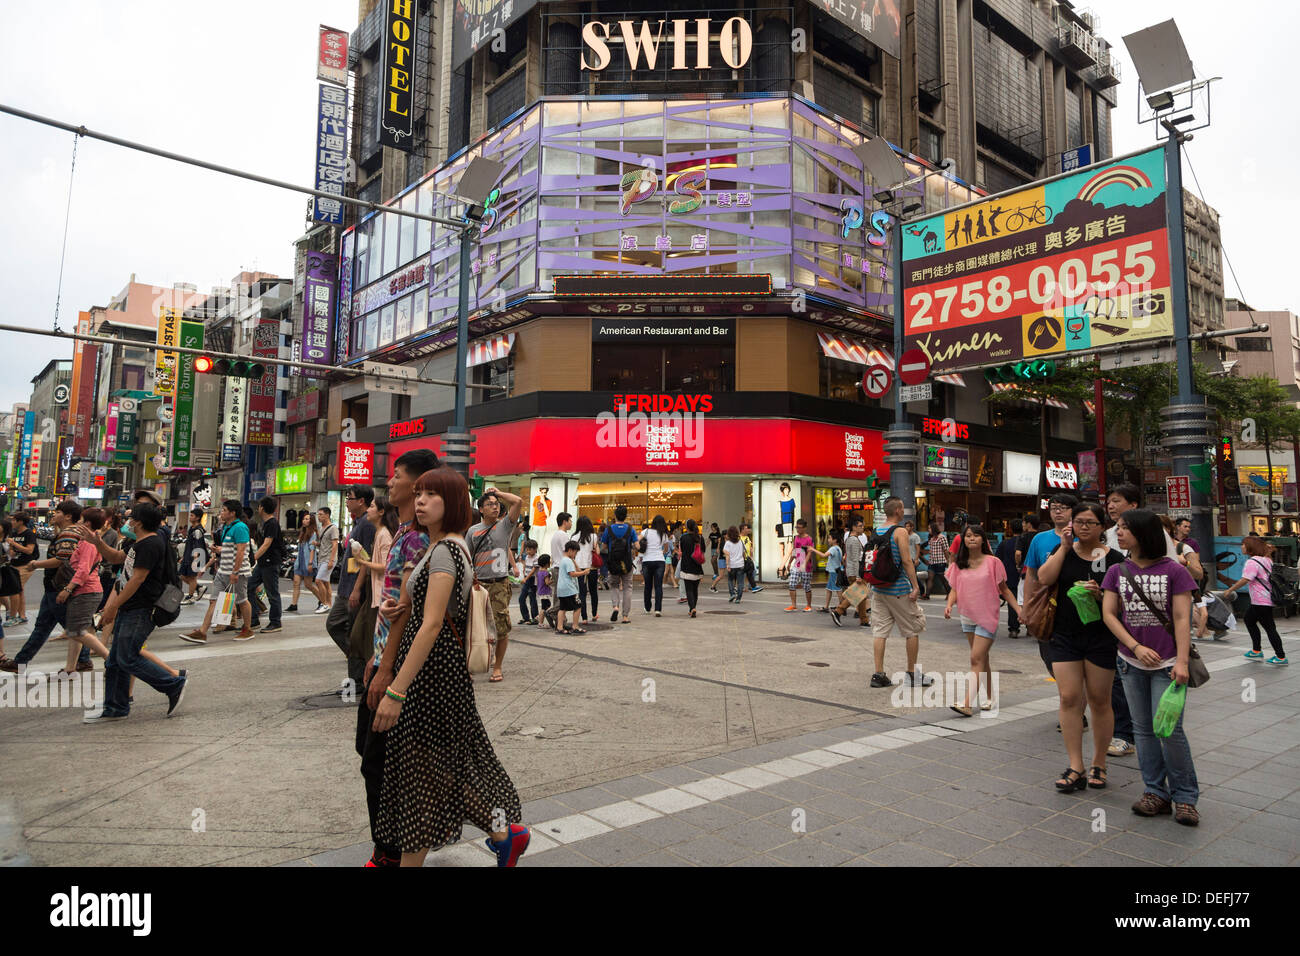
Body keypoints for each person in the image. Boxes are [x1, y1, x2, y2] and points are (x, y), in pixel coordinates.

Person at [369, 466, 529, 867]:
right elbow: (425, 609)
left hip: (432, 674)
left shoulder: (444, 550)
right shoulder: (440, 545)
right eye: (419, 493)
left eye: (431, 495)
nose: (420, 501)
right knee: (437, 770)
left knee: (423, 773)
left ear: (453, 502)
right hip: (436, 671)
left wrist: (396, 689)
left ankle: (501, 833)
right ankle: (502, 833)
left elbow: (434, 623)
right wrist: (401, 605)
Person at [355, 448, 437, 867]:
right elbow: (393, 605)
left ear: (418, 484)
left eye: (398, 475)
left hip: (399, 664)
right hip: (384, 656)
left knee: (380, 762)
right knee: (373, 756)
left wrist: (386, 667)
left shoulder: (420, 537)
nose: (390, 481)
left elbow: (408, 613)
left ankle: (388, 850)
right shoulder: (404, 531)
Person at [1101, 508, 1201, 826]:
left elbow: (1183, 618)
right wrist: (1135, 647)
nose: (1118, 532)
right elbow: (1109, 615)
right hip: (1131, 663)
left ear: (1142, 533)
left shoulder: (1174, 571)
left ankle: (1185, 797)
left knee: (1168, 730)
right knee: (1143, 731)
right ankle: (1155, 792)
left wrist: (1182, 661)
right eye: (1117, 527)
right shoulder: (1117, 571)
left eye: (1124, 527)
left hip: (1169, 664)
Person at [1034, 502, 1125, 791]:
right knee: (1069, 698)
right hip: (1064, 636)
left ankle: (1099, 762)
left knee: (1099, 700)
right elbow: (1043, 579)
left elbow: (1124, 603)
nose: (1083, 527)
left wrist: (1101, 596)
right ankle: (1076, 765)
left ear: (1102, 527)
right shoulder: (1063, 552)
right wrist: (1063, 546)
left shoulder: (1114, 559)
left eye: (1090, 522)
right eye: (1079, 522)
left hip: (1100, 638)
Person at [83, 502, 188, 723]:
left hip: (142, 609)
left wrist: (112, 606)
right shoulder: (137, 543)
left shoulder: (151, 544)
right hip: (130, 607)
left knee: (127, 657)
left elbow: (137, 579)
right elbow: (116, 558)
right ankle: (115, 707)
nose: (127, 519)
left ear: (138, 522)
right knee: (115, 660)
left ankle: (172, 684)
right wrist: (98, 542)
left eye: (131, 516)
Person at [2, 501, 94, 673]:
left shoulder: (68, 533)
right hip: (55, 587)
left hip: (59, 587)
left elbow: (62, 559)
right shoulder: (70, 532)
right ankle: (20, 662)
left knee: (72, 627)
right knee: (44, 627)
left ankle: (85, 659)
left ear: (67, 516)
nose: (53, 514)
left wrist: (36, 564)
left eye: (57, 511)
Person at [944, 523, 1021, 716]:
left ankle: (967, 703)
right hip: (967, 616)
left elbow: (1004, 589)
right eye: (968, 536)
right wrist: (949, 605)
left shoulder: (993, 562)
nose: (971, 538)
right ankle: (990, 697)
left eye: (976, 535)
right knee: (981, 658)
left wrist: (1019, 609)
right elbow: (955, 588)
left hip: (987, 616)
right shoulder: (959, 564)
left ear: (983, 540)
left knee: (975, 658)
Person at [868, 497, 929, 689]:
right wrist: (915, 586)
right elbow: (906, 561)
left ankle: (878, 674)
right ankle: (912, 674)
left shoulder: (877, 530)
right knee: (911, 630)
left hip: (878, 588)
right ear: (898, 511)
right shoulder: (900, 531)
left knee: (880, 631)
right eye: (902, 508)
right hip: (898, 589)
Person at [466, 487, 523, 682]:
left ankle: (497, 667)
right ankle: (471, 665)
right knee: (474, 626)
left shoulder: (505, 526)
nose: (494, 507)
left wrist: (498, 493)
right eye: (489, 504)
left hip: (499, 584)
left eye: (496, 504)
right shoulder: (472, 532)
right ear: (480, 509)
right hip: (478, 584)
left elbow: (517, 501)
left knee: (501, 627)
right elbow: (467, 558)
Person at [179, 500, 255, 644]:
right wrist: (218, 550)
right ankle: (202, 632)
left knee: (242, 601)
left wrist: (236, 572)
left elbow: (241, 551)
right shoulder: (226, 527)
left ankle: (247, 629)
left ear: (232, 513)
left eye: (224, 510)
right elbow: (230, 548)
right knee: (213, 600)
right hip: (223, 571)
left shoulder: (240, 527)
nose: (221, 512)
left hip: (237, 572)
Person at [1022, 493, 1079, 679]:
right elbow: (1031, 574)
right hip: (1047, 608)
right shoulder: (1039, 539)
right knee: (1049, 658)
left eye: (1063, 508)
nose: (1058, 512)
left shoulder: (1082, 537)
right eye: (1054, 508)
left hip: (1077, 608)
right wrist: (1027, 606)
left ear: (1073, 511)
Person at [326, 486, 377, 692]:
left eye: (350, 498)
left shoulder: (367, 525)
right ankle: (362, 666)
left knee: (350, 631)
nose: (346, 501)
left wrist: (356, 589)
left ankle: (359, 676)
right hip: (346, 587)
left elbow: (365, 560)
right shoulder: (358, 523)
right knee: (339, 627)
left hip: (355, 589)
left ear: (362, 501)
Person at [56, 508, 115, 675]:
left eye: (80, 519)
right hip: (85, 591)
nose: (78, 522)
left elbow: (83, 570)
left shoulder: (90, 543)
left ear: (87, 523)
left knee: (76, 631)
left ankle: (111, 660)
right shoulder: (86, 541)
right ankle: (70, 668)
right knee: (77, 631)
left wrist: (68, 589)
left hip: (86, 591)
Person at [1221, 536, 1288, 665]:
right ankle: (1256, 650)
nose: (1242, 547)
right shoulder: (1266, 560)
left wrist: (1230, 590)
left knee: (1269, 628)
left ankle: (1280, 656)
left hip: (1261, 601)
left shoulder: (1252, 562)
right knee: (1249, 620)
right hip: (1264, 599)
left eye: (1244, 545)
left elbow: (1246, 579)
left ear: (1250, 547)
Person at [248, 496, 284, 633]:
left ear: (262, 508)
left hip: (270, 563)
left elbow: (267, 544)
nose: (258, 508)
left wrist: (253, 558)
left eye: (259, 506)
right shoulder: (265, 523)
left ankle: (275, 622)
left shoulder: (272, 523)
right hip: (263, 563)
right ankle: (253, 620)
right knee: (249, 587)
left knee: (272, 593)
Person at [830, 517, 869, 627]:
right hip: (854, 572)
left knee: (861, 595)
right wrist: (858, 575)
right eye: (860, 526)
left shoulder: (850, 539)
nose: (862, 528)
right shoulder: (854, 540)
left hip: (851, 571)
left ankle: (864, 620)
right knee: (856, 595)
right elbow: (855, 559)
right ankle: (838, 611)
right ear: (854, 527)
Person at [601, 506, 636, 623]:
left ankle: (615, 606)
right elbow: (637, 546)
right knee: (627, 587)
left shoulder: (608, 529)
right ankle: (625, 616)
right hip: (626, 563)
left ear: (615, 515)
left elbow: (604, 546)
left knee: (614, 585)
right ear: (626, 516)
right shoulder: (630, 529)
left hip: (613, 563)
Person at [7, 512, 37, 625]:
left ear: (20, 521)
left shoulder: (29, 534)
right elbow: (11, 551)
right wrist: (11, 551)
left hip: (26, 565)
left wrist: (14, 543)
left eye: (14, 520)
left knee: (16, 589)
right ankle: (22, 615)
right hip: (14, 564)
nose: (12, 522)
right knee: (19, 591)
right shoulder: (13, 533)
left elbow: (29, 550)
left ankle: (14, 616)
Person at [780, 518, 815, 611]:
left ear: (804, 528)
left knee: (806, 585)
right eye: (796, 527)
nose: (797, 529)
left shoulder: (809, 539)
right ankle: (793, 605)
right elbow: (794, 550)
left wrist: (804, 564)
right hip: (797, 564)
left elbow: (809, 553)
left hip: (806, 566)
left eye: (799, 528)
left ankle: (809, 605)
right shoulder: (796, 538)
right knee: (791, 584)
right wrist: (790, 562)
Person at [554, 539, 588, 634]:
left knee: (562, 608)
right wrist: (584, 573)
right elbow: (572, 573)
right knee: (578, 606)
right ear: (570, 550)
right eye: (575, 552)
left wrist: (574, 560)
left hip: (562, 589)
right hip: (569, 589)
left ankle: (559, 627)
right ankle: (575, 626)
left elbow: (577, 568)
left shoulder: (564, 560)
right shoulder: (568, 561)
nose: (575, 555)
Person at [995, 518, 1023, 636]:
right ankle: (1031, 628)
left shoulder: (1005, 543)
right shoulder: (1026, 542)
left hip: (1009, 576)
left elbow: (998, 560)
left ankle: (1013, 629)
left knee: (1013, 603)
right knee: (1028, 601)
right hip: (1025, 576)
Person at [639, 514, 670, 616]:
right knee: (658, 586)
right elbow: (666, 550)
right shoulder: (664, 535)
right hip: (659, 561)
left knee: (648, 585)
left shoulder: (646, 531)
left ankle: (648, 608)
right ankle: (658, 609)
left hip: (647, 561)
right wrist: (660, 552)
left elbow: (637, 539)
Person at [312, 507, 340, 612]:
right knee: (326, 582)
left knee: (318, 580)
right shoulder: (321, 528)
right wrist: (317, 544)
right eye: (318, 514)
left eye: (321, 514)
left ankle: (324, 604)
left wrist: (331, 560)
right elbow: (324, 544)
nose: (319, 517)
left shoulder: (333, 528)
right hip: (321, 557)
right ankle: (329, 604)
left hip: (328, 558)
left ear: (327, 515)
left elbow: (334, 545)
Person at [288, 512, 317, 612]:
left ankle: (323, 600)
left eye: (307, 519)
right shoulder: (303, 532)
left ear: (311, 521)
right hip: (299, 562)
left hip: (307, 562)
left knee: (308, 585)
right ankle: (293, 604)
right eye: (304, 519)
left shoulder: (313, 533)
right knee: (296, 583)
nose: (304, 520)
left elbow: (312, 549)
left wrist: (310, 563)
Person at [572, 515, 600, 623]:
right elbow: (597, 552)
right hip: (591, 567)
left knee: (581, 593)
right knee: (593, 592)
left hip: (579, 568)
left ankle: (584, 618)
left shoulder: (574, 537)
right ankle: (594, 614)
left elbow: (572, 555)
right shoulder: (593, 536)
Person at [179, 508, 209, 604]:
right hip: (187, 556)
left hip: (194, 557)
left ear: (198, 518)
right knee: (182, 575)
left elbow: (198, 545)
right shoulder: (191, 529)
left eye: (192, 515)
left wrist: (196, 560)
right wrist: (184, 557)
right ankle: (199, 588)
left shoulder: (198, 531)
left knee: (192, 578)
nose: (190, 517)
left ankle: (190, 597)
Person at [676, 519, 706, 618]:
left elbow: (682, 551)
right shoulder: (699, 537)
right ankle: (692, 608)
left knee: (688, 589)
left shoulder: (683, 538)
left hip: (686, 566)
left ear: (687, 527)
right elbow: (703, 550)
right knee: (695, 589)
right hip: (697, 566)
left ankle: (692, 608)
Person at [517, 539, 540, 625]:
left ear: (535, 549)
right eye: (527, 549)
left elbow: (534, 570)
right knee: (521, 599)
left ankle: (535, 618)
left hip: (532, 580)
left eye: (530, 549)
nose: (528, 551)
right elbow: (525, 566)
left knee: (532, 598)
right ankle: (526, 617)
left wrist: (526, 579)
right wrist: (523, 573)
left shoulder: (537, 558)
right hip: (526, 578)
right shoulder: (527, 557)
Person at [722, 525, 745, 602]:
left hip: (732, 565)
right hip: (740, 564)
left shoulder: (728, 543)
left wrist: (727, 564)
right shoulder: (740, 542)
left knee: (730, 580)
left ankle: (732, 594)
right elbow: (743, 553)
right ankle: (738, 598)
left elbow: (727, 555)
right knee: (740, 582)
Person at [740, 523, 763, 592]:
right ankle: (742, 587)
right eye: (746, 528)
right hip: (742, 559)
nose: (748, 530)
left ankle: (751, 586)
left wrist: (751, 554)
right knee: (743, 573)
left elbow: (749, 547)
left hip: (748, 558)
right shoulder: (739, 538)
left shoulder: (747, 537)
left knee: (753, 571)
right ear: (742, 529)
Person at [534, 555, 554, 628]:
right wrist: (554, 580)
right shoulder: (546, 573)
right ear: (546, 564)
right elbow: (547, 582)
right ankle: (540, 622)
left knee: (546, 605)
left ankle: (539, 616)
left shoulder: (539, 571)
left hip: (540, 591)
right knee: (545, 607)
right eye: (550, 561)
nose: (551, 562)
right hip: (545, 592)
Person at [708, 522, 724, 591]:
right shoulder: (711, 534)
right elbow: (708, 541)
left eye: (712, 527)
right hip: (712, 549)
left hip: (717, 549)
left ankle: (716, 573)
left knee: (713, 560)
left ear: (715, 527)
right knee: (713, 561)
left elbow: (719, 542)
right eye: (711, 527)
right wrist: (704, 546)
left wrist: (718, 548)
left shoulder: (719, 534)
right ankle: (716, 573)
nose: (711, 528)